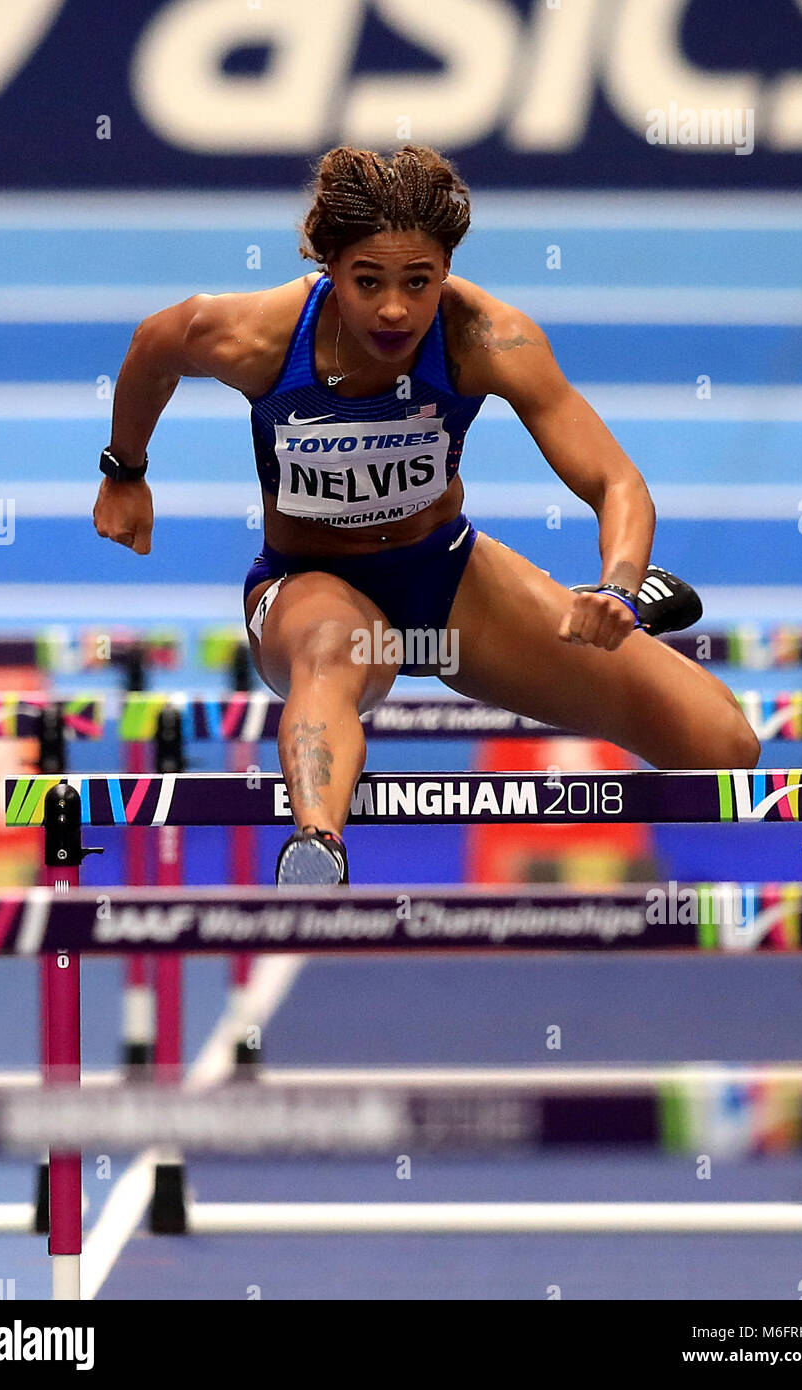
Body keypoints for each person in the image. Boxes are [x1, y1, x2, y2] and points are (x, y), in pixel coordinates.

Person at [93, 145, 760, 886]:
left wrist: (618, 586)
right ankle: (317, 847)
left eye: (419, 282)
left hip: (446, 578)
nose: (393, 309)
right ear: (329, 267)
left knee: (723, 746)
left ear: (446, 270)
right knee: (335, 645)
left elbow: (616, 481)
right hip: (308, 582)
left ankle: (637, 607)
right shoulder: (253, 335)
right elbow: (152, 348)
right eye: (368, 281)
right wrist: (125, 471)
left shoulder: (487, 337)